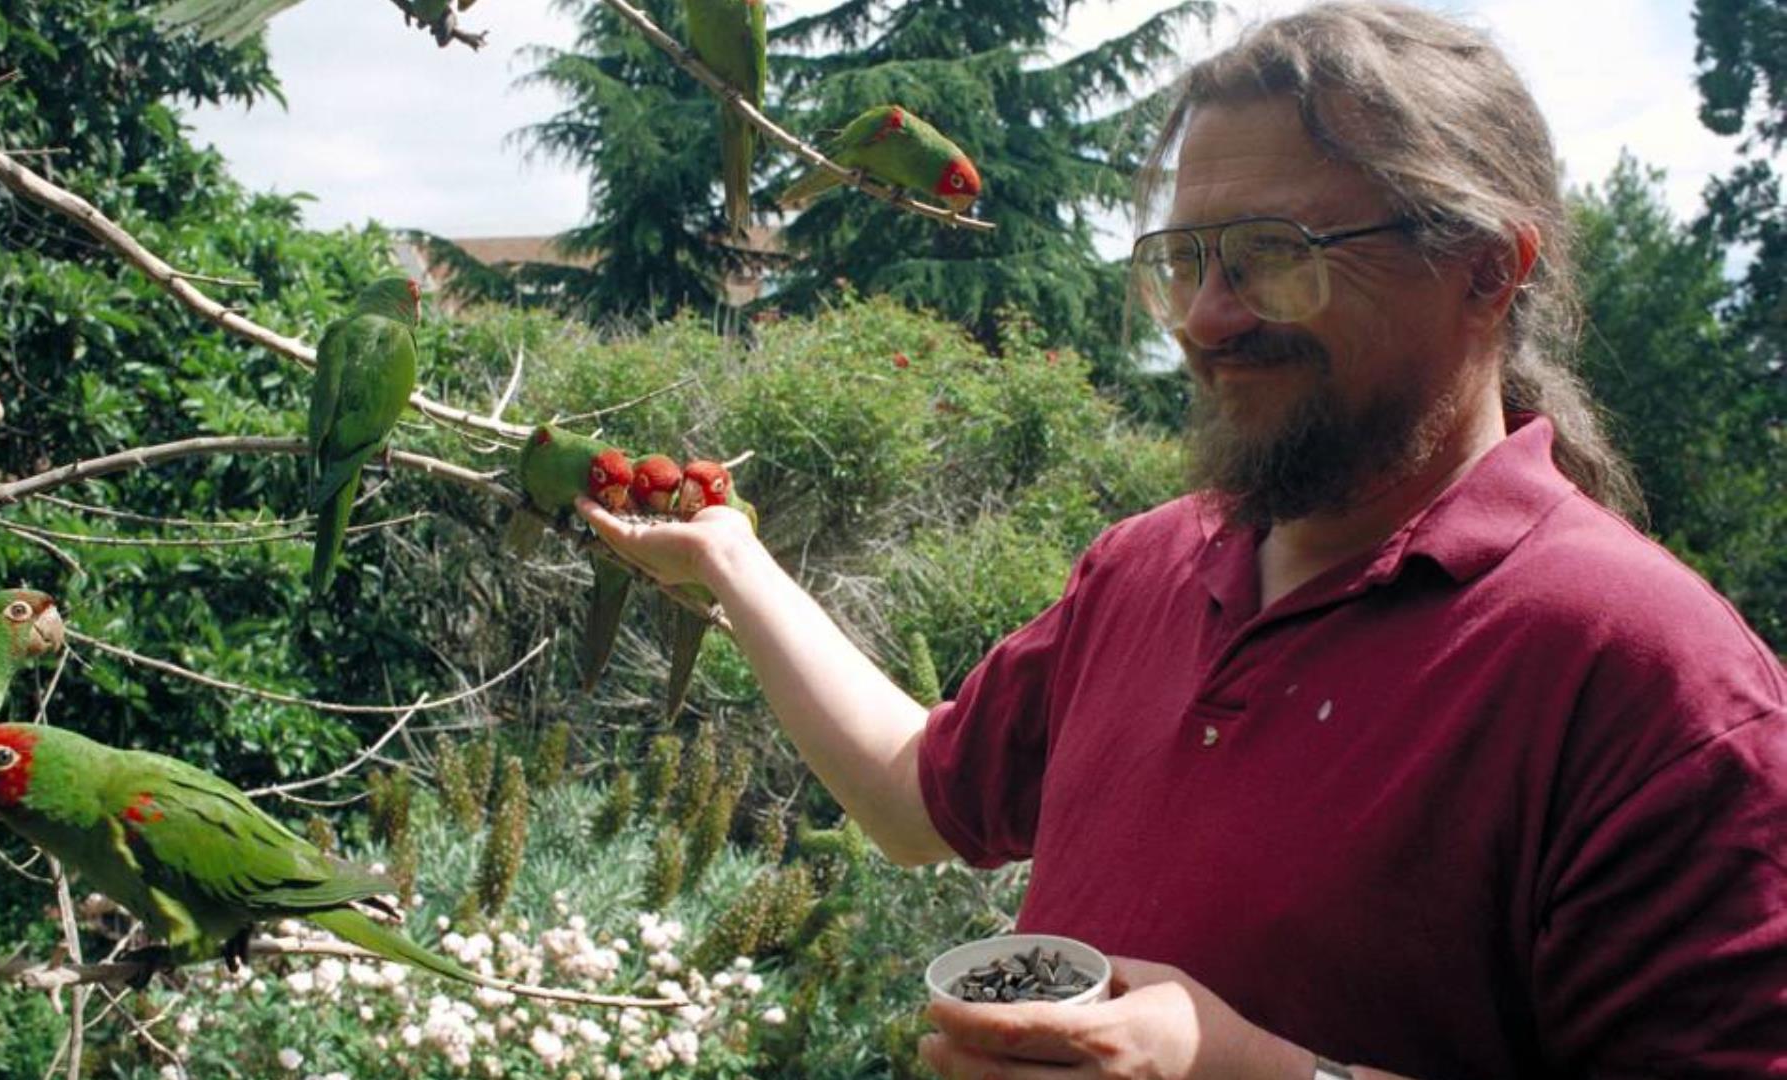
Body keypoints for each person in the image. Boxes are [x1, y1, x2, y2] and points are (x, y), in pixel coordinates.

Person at [580, 3, 1787, 1075]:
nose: (1210, 319)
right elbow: (912, 800)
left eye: (1278, 256)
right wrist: (732, 561)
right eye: (1185, 261)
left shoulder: (1654, 682)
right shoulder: (1149, 569)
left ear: (1486, 269)